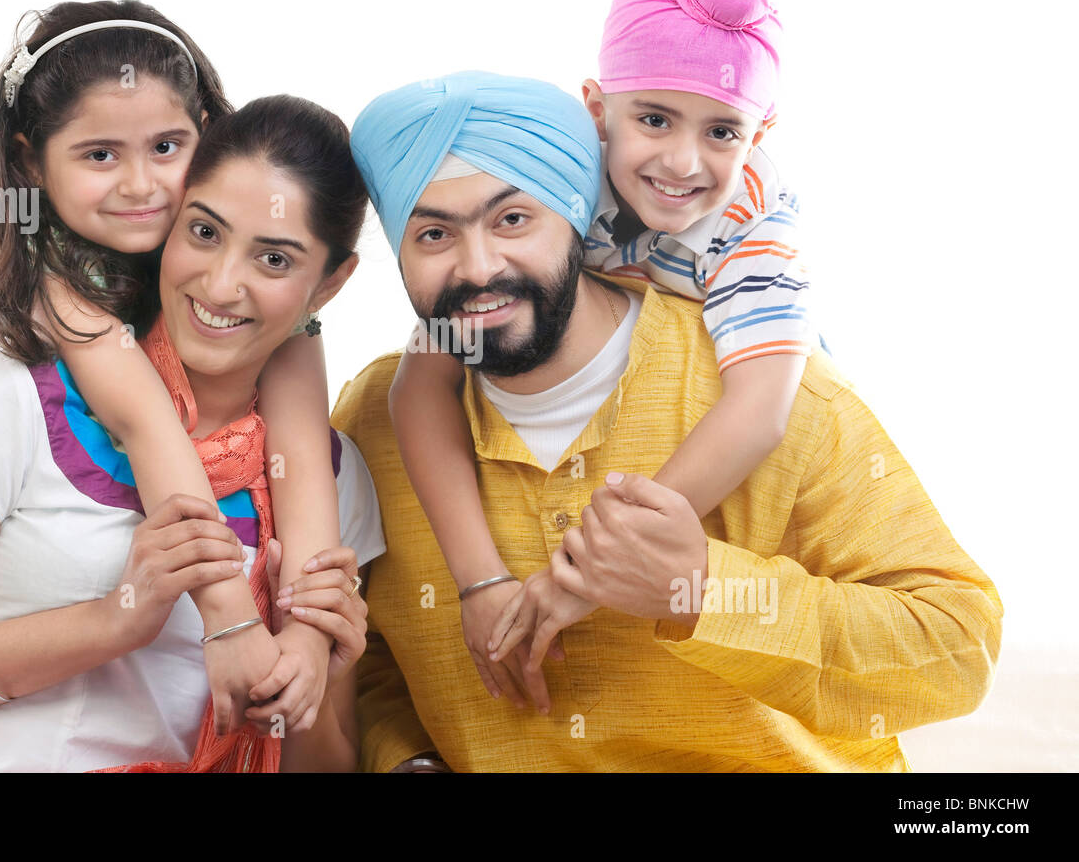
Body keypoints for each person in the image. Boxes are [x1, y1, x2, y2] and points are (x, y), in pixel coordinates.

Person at [334, 70, 1003, 771]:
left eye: (512, 220)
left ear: (575, 216)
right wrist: (405, 758)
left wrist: (704, 590)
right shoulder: (372, 419)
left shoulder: (778, 394)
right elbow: (370, 653)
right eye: (433, 233)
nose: (479, 268)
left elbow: (957, 652)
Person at [0, 93, 381, 773]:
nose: (220, 284)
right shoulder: (21, 397)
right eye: (204, 232)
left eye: (274, 261)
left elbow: (320, 766)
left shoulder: (331, 485)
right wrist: (113, 621)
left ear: (330, 284)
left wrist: (318, 680)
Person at [385, 0, 819, 702]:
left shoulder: (755, 223)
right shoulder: (553, 188)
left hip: (727, 426)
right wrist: (480, 579)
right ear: (597, 110)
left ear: (761, 133)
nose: (682, 162)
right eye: (653, 119)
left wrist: (585, 571)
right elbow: (422, 381)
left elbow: (760, 412)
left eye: (722, 131)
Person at [0, 0, 345, 731]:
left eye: (167, 147)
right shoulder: (61, 284)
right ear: (32, 163)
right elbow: (145, 424)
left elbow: (301, 453)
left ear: (207, 129)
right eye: (100, 155)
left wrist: (309, 630)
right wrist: (229, 621)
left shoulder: (264, 269)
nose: (141, 186)